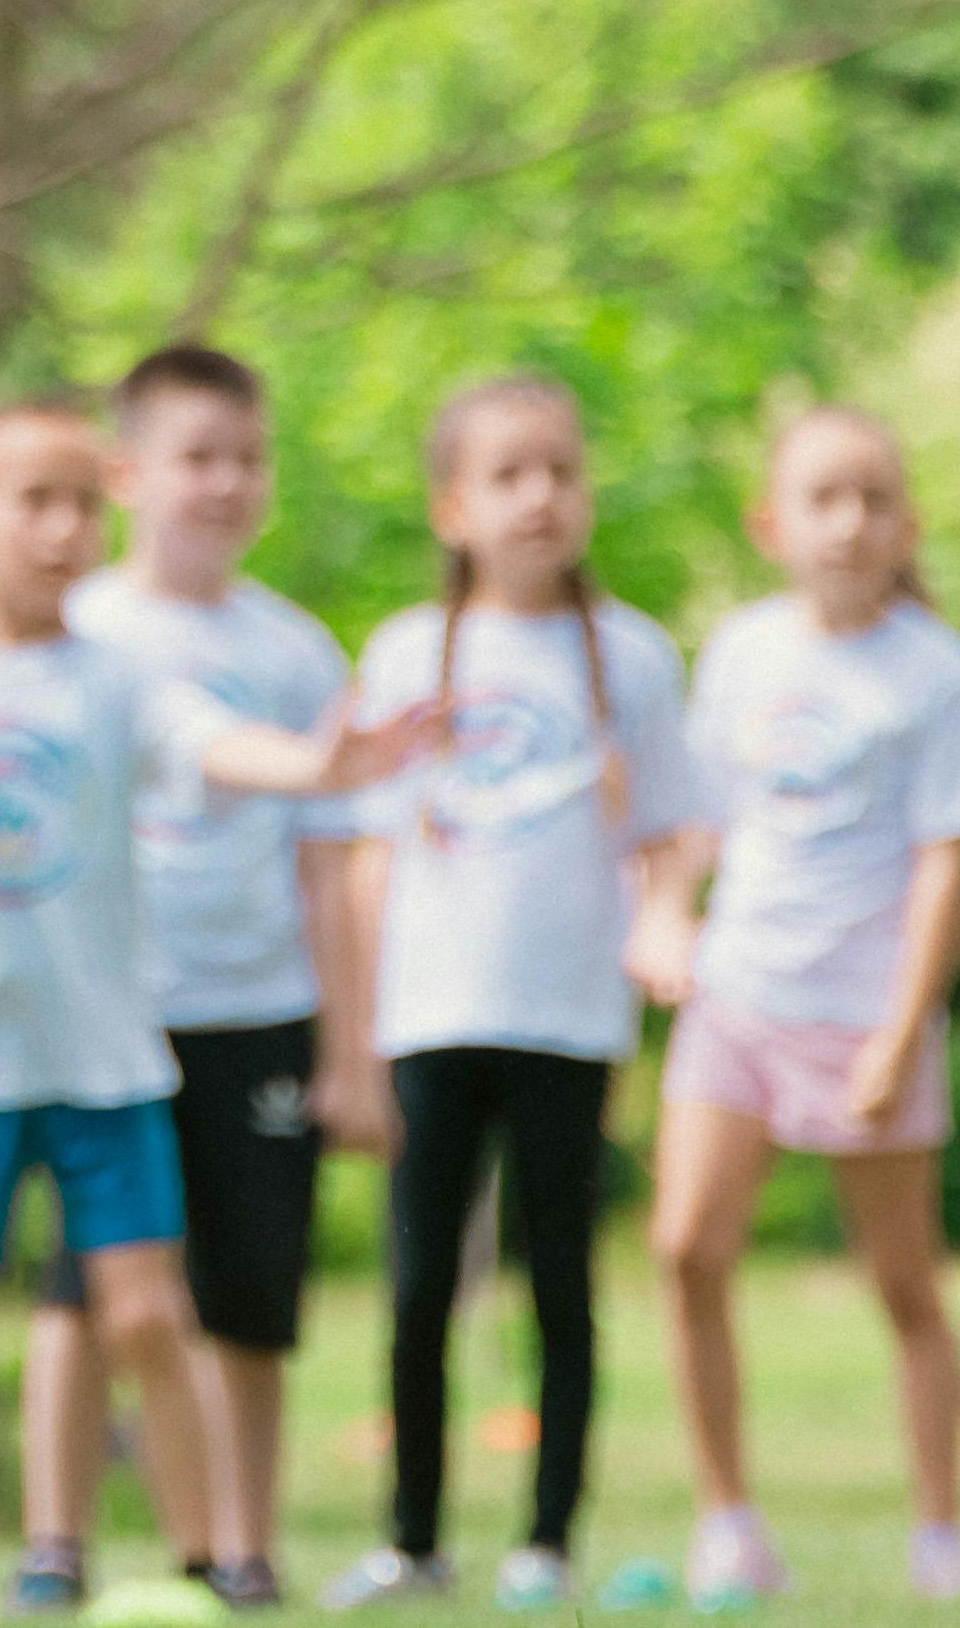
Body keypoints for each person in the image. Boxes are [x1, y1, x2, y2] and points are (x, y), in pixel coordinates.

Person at [0, 401, 431, 1618]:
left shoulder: (124, 681)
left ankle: (208, 1559)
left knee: (144, 1314)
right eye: (36, 501)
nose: (67, 527)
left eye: (85, 502)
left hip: (104, 1066)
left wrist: (320, 766)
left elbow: (221, 745)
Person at [317, 377, 703, 1616]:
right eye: (509, 475)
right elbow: (368, 858)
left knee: (561, 1289)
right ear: (453, 506)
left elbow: (673, 833)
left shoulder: (633, 658)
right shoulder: (400, 654)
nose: (540, 496)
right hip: (432, 1017)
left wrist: (661, 919)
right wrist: (358, 1042)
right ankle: (416, 1536)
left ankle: (547, 1538)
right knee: (422, 1284)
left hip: (569, 1020)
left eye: (561, 471)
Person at [10, 345, 380, 1614]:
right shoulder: (83, 638)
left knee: (250, 1303)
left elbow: (334, 874)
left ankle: (243, 1545)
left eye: (246, 460)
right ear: (127, 476)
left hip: (260, 1013)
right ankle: (53, 1545)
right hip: (108, 1023)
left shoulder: (297, 651)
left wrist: (351, 1050)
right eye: (196, 458)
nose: (223, 484)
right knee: (87, 1291)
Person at [632, 410, 960, 1609]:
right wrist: (663, 916)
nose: (849, 522)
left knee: (904, 1286)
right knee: (684, 1247)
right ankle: (728, 1521)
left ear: (908, 526)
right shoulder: (741, 650)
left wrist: (901, 1034)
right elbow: (697, 818)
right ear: (771, 524)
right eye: (824, 498)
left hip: (865, 1015)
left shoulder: (937, 673)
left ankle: (941, 1531)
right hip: (740, 994)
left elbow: (949, 864)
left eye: (872, 499)